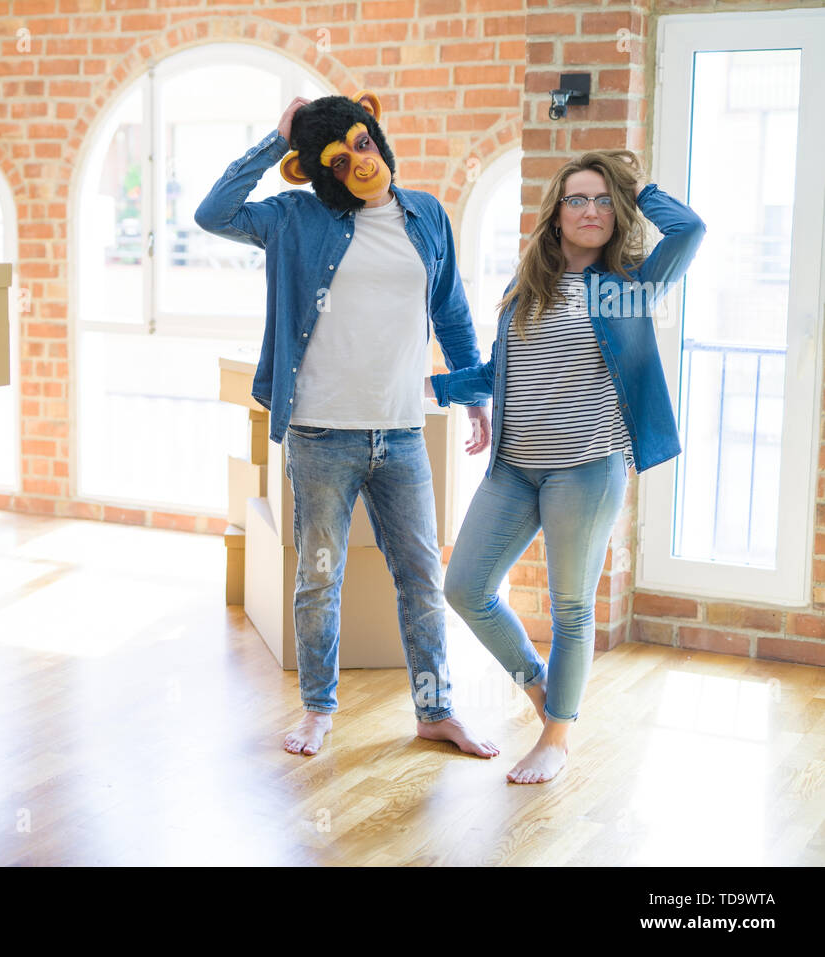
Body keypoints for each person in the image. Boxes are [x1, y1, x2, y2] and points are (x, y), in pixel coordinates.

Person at [195, 91, 496, 758]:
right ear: (318, 171)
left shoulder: (428, 216)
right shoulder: (295, 218)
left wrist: (474, 393)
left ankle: (436, 709)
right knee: (319, 578)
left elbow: (451, 312)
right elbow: (212, 213)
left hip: (403, 433)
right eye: (337, 158)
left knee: (421, 574)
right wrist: (277, 142)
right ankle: (317, 710)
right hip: (321, 435)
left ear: (378, 136)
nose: (358, 161)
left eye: (363, 143)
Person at [427, 150, 706, 783]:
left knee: (572, 608)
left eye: (605, 200)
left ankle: (556, 737)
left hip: (585, 467)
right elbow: (500, 372)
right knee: (465, 588)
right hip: (514, 467)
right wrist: (436, 388)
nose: (591, 210)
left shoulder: (631, 288)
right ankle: (542, 692)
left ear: (621, 212)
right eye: (577, 198)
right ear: (555, 214)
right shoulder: (524, 287)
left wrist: (630, 182)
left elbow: (688, 229)